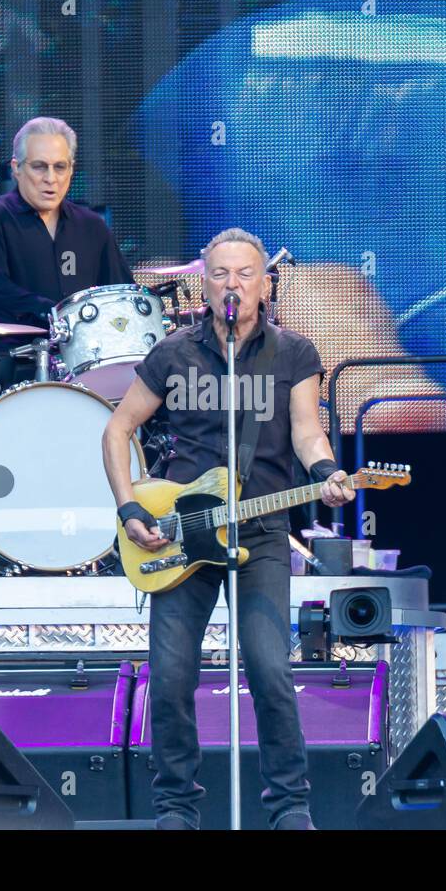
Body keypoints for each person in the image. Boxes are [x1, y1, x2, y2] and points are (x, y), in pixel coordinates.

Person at [101, 227, 354, 830]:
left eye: (244, 274)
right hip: (181, 528)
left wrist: (325, 471)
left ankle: (290, 807)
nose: (232, 285)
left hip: (262, 526)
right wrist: (130, 508)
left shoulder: (293, 352)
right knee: (170, 679)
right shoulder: (173, 353)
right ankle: (177, 809)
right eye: (220, 274)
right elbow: (117, 430)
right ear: (204, 283)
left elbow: (306, 430)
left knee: (269, 668)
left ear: (265, 285)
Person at [0, 116, 134, 385]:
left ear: (72, 169)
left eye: (60, 167)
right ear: (16, 168)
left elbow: (119, 293)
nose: (50, 179)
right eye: (39, 167)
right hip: (12, 354)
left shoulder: (92, 226)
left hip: (87, 355)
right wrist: (58, 315)